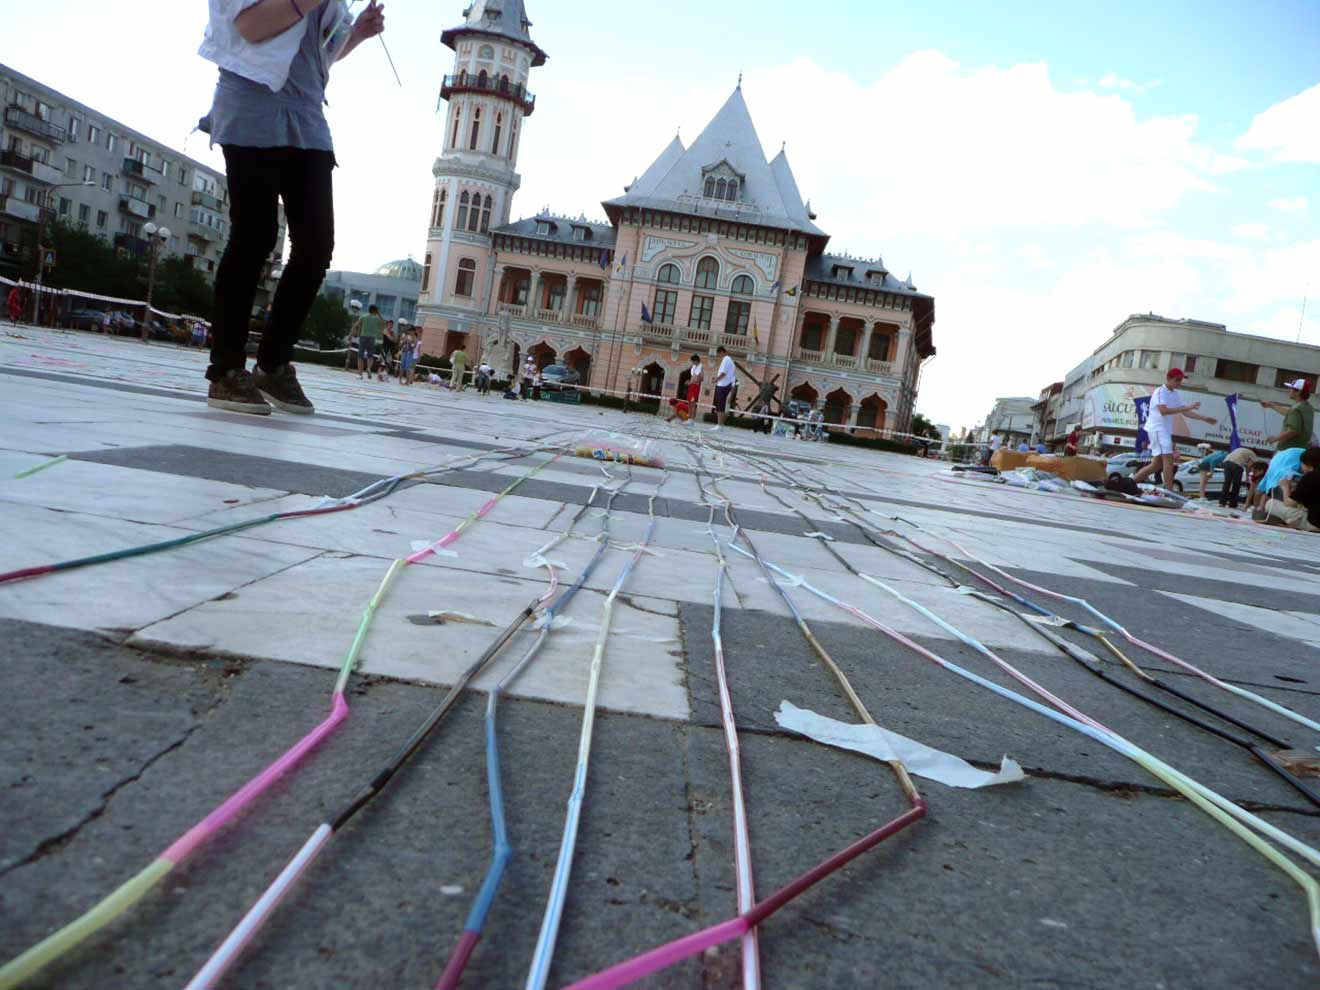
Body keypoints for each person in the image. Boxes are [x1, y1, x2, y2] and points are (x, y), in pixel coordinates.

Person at [198, 0, 386, 415]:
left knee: (317, 244)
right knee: (255, 234)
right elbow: (250, 26)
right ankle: (226, 370)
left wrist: (358, 35)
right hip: (250, 101)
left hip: (306, 110)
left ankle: (273, 365)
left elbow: (320, 51)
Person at [1133, 368, 1217, 490]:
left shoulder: (1175, 394)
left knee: (1156, 465)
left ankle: (1129, 482)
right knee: (1168, 459)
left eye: (1180, 380)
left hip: (1164, 430)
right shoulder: (1160, 392)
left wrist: (1204, 418)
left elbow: (1185, 412)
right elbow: (1163, 411)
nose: (1179, 383)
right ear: (1169, 378)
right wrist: (1187, 407)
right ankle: (1169, 490)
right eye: (1177, 380)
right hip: (1157, 429)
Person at [1260, 447, 1320, 532]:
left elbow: (1289, 503)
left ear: (1307, 463)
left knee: (1270, 503)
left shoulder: (1310, 477)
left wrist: (1285, 487)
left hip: (1314, 523)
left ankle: (1300, 524)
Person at [1262, 379, 1315, 453]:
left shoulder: (1297, 408)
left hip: (1288, 450)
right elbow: (1290, 413)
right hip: (1300, 449)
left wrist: (1275, 439)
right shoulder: (1307, 407)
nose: (1289, 391)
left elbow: (1293, 430)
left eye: (1291, 389)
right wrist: (1271, 405)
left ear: (1298, 392)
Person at [349, 304, 384, 379]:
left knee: (360, 356)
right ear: (375, 311)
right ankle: (368, 368)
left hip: (363, 337)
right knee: (370, 356)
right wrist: (378, 314)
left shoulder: (363, 316)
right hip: (372, 338)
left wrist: (351, 335)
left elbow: (355, 325)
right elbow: (384, 323)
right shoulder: (377, 318)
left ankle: (360, 374)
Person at [709, 345, 736, 431]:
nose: (719, 356)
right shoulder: (730, 361)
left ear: (722, 352)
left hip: (722, 385)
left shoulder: (726, 359)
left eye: (719, 354)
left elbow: (723, 373)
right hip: (725, 384)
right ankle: (720, 425)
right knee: (721, 406)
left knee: (720, 406)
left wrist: (716, 379)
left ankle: (719, 425)